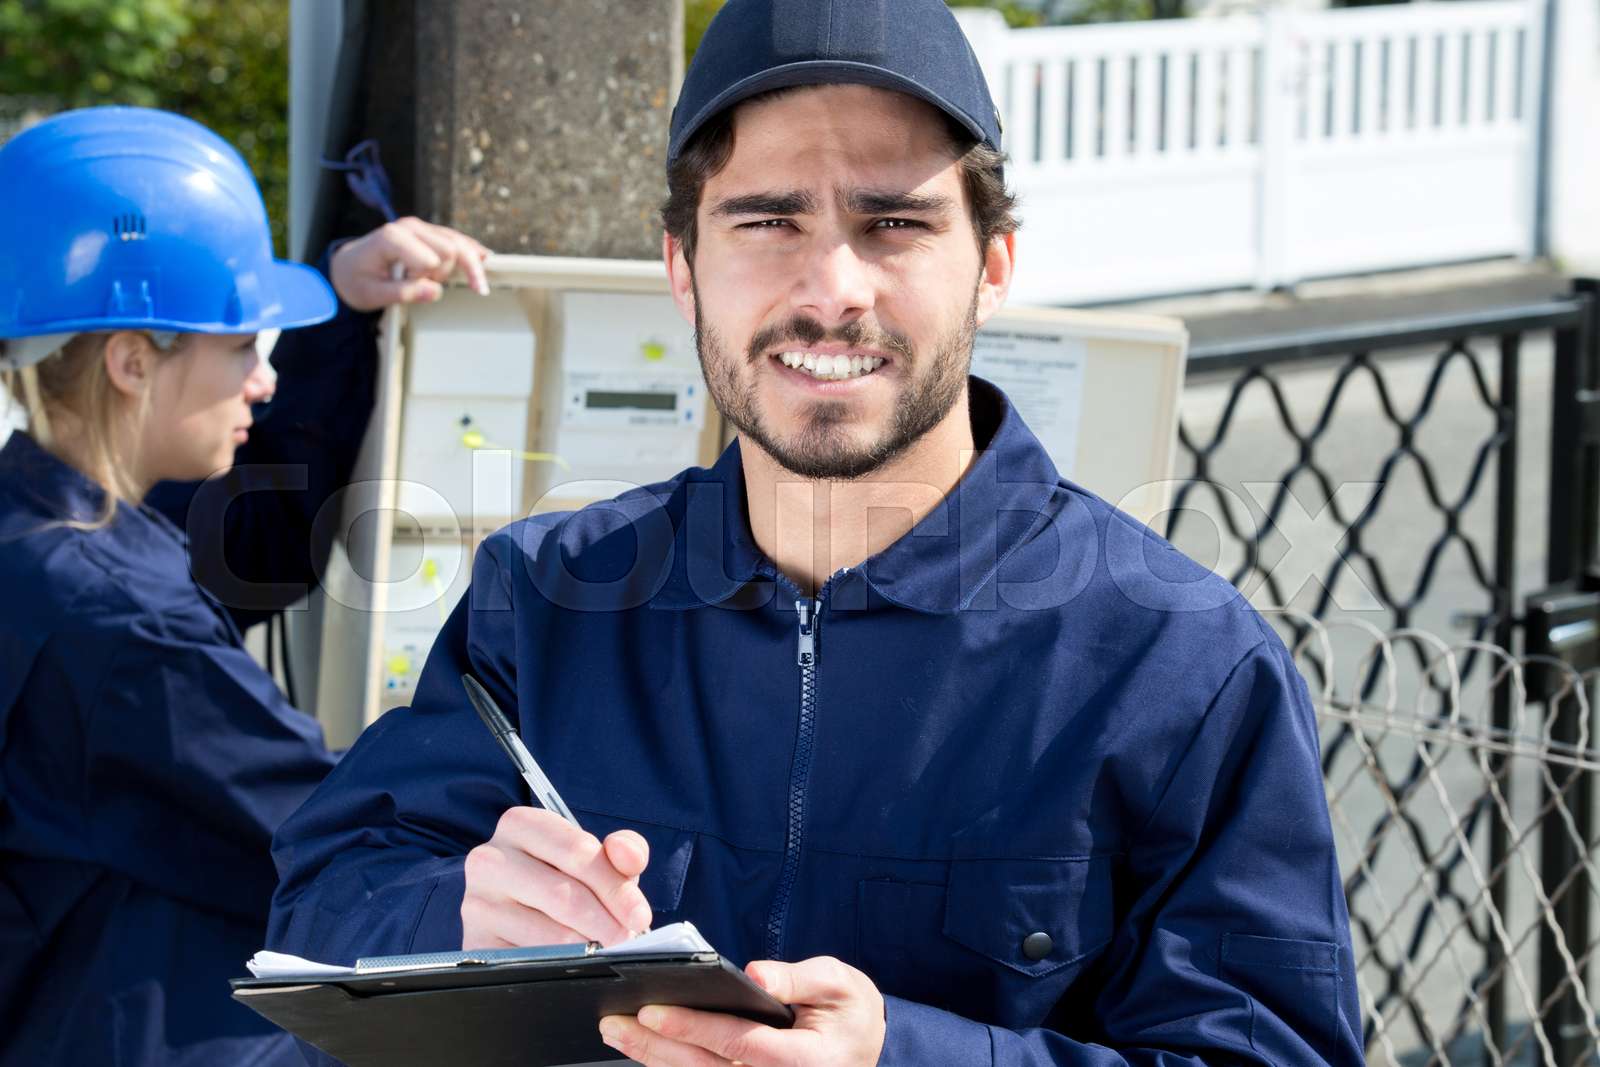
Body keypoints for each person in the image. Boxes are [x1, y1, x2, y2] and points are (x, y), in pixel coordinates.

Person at [269, 1, 1366, 1063]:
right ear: (681, 267)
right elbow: (322, 895)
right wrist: (452, 908)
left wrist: (910, 1057)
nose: (831, 288)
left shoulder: (1180, 663)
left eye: (894, 222)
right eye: (767, 220)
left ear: (991, 266)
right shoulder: (548, 598)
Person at [0, 106, 488, 1066]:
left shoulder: (37, 536)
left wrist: (341, 306)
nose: (261, 381)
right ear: (132, 361)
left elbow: (251, 532)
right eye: (239, 347)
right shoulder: (122, 617)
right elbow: (328, 833)